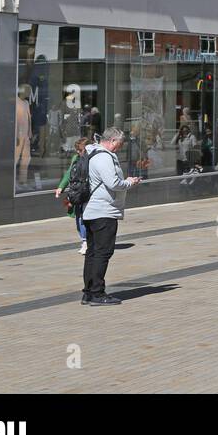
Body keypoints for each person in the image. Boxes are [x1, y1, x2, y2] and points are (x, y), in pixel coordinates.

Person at [80, 128, 143, 306]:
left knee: (92, 253)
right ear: (112, 140)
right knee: (102, 253)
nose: (119, 148)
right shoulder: (104, 156)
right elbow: (113, 183)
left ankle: (89, 292)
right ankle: (97, 293)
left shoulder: (92, 153)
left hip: (92, 210)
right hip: (103, 211)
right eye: (119, 144)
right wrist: (130, 182)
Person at [55, 137, 91, 254]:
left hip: (87, 193)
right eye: (77, 150)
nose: (77, 152)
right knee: (78, 217)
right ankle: (85, 240)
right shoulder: (76, 158)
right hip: (77, 192)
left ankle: (86, 242)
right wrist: (61, 187)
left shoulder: (92, 159)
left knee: (83, 218)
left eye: (80, 150)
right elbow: (69, 173)